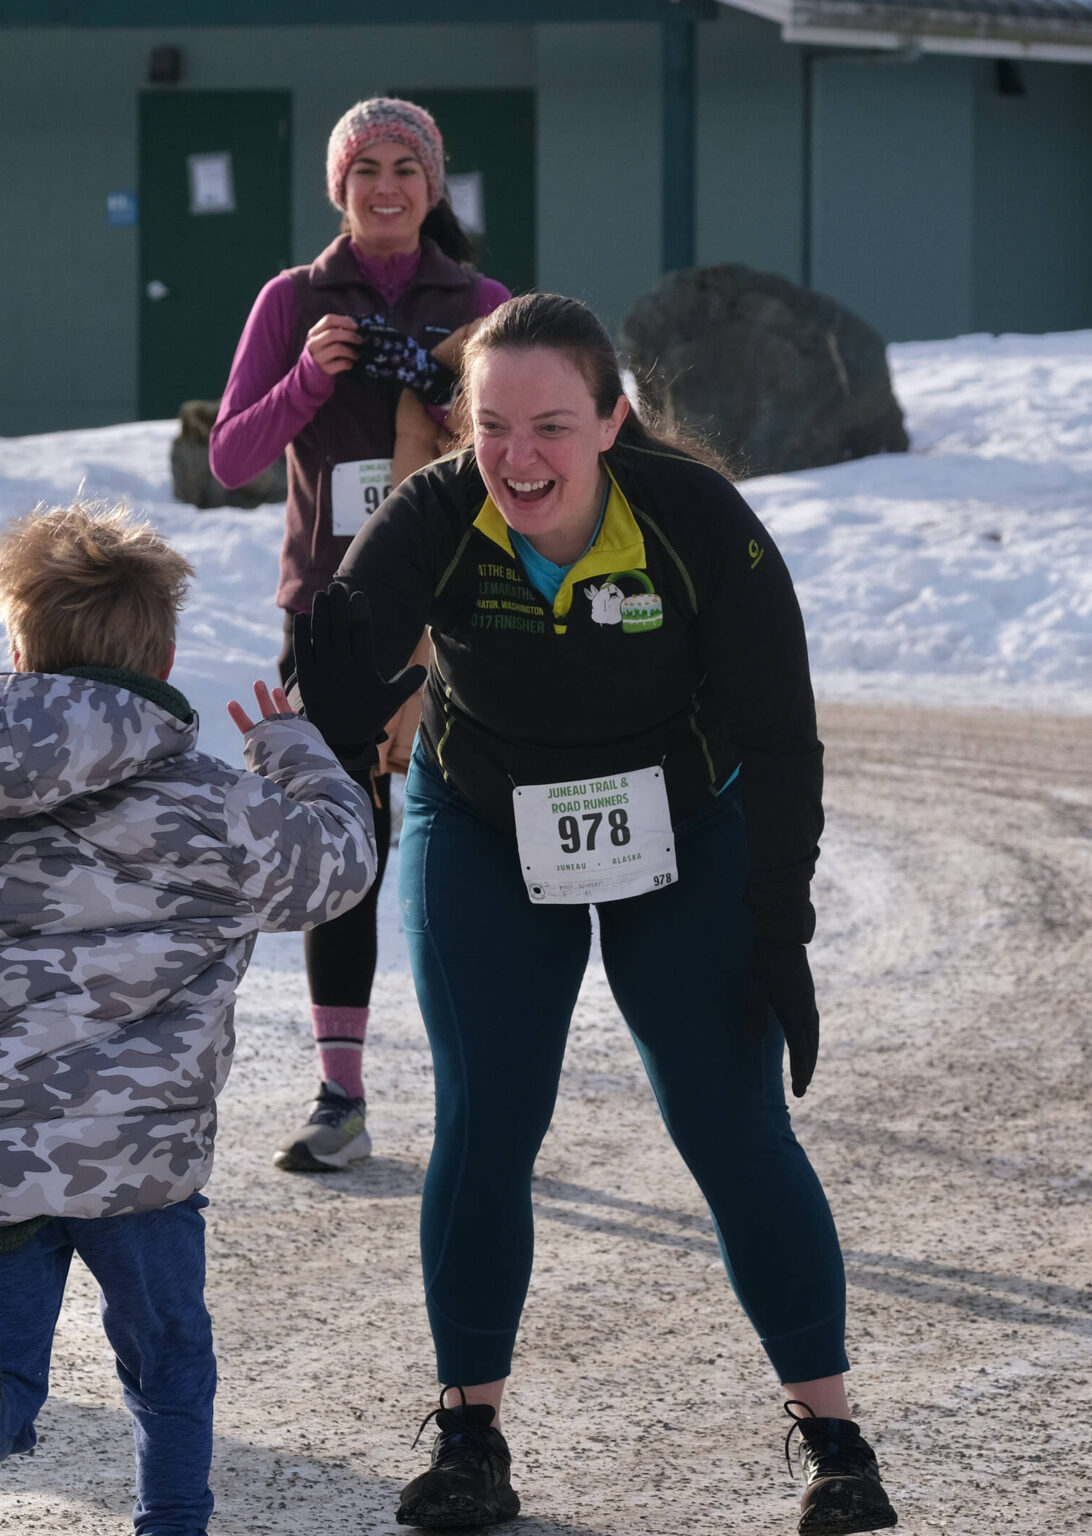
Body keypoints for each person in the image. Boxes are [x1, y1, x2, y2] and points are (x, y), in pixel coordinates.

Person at [291, 293, 900, 1535]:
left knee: (729, 1124)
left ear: (613, 420)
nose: (519, 458)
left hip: (684, 830)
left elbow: (782, 739)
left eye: (554, 426)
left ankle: (836, 1442)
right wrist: (339, 687)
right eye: (494, 425)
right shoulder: (440, 508)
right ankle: (469, 1439)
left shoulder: (696, 522)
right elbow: (349, 641)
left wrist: (777, 927)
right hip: (481, 826)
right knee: (487, 1120)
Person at [0, 502, 377, 1531]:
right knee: (167, 1358)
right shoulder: (215, 809)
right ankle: (171, 1521)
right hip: (142, 1158)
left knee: (3, 1362)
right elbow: (339, 867)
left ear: (18, 649)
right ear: (164, 654)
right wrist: (293, 750)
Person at [209, 95, 510, 1173]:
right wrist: (310, 378)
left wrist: (454, 391)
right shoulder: (293, 300)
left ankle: (487, 1087)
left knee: (466, 841)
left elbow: (537, 453)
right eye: (364, 168)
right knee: (346, 849)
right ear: (336, 188)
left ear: (433, 187)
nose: (385, 185)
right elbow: (233, 459)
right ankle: (341, 1098)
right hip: (329, 614)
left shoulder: (480, 302)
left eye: (405, 167)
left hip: (464, 616)